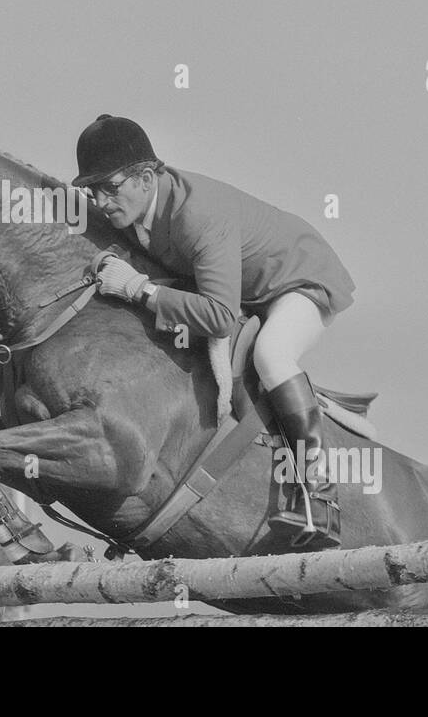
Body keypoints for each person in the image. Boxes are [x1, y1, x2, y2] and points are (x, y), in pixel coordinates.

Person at [72, 114, 355, 548]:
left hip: (296, 279)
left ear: (146, 178)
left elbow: (220, 317)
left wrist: (138, 289)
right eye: (91, 190)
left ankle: (319, 494)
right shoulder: (133, 208)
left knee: (272, 355)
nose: (101, 200)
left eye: (109, 187)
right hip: (245, 290)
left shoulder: (196, 213)